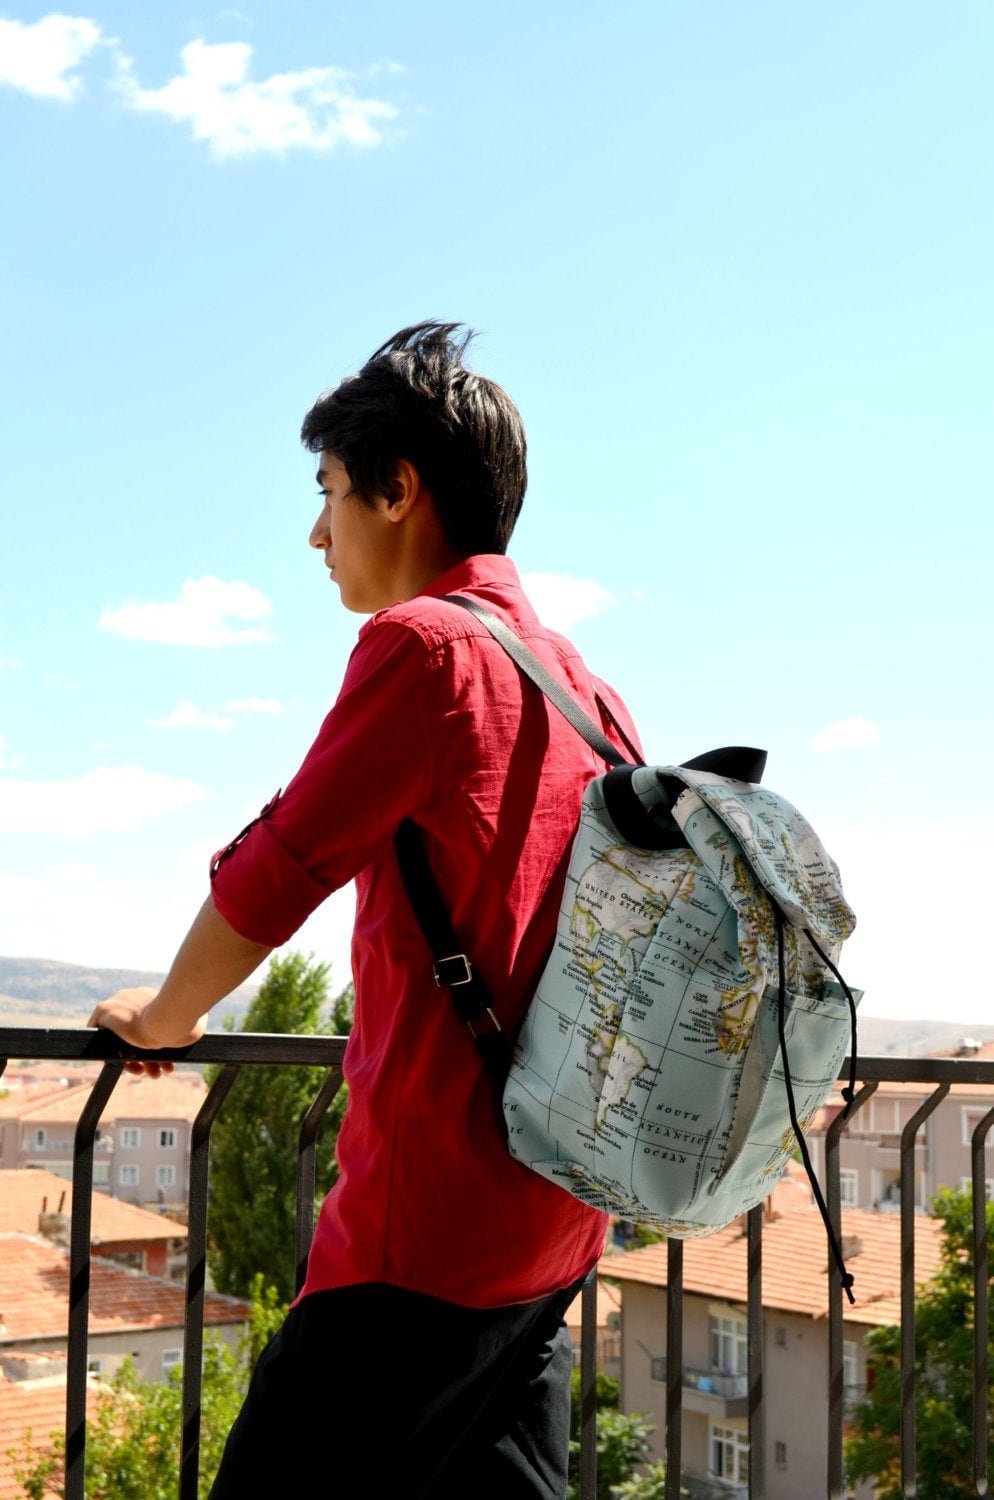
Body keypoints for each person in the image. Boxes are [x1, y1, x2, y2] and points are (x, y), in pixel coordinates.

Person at [88, 322, 641, 1498]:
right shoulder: (587, 686)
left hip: (425, 1236)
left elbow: (276, 872)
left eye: (329, 491)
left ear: (400, 492)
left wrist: (169, 1014)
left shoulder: (424, 647)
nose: (315, 530)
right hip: (555, 1227)